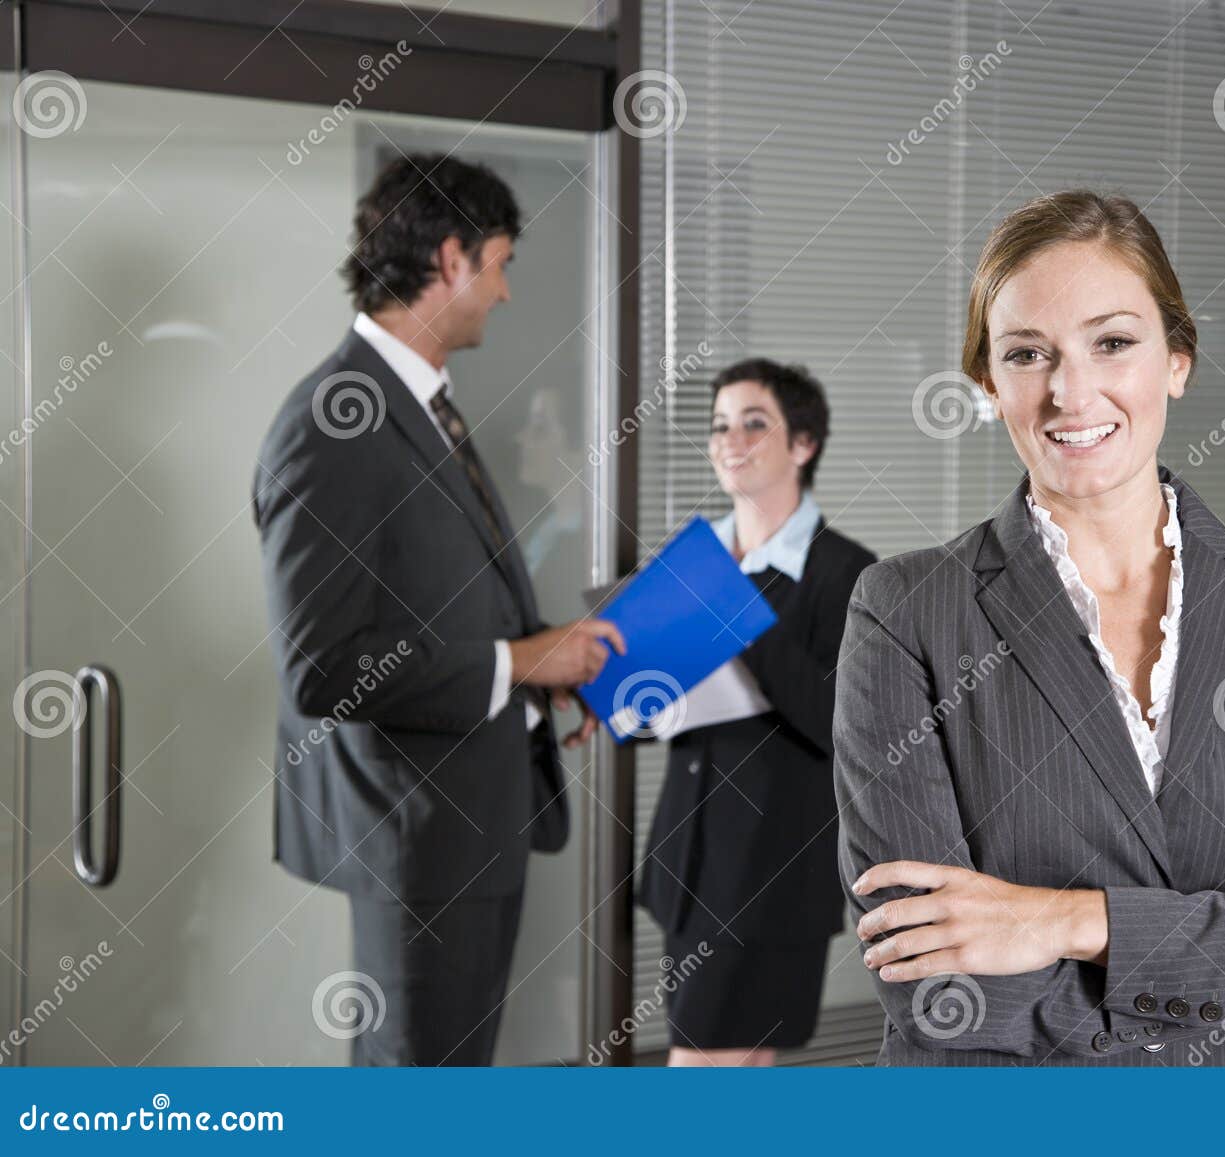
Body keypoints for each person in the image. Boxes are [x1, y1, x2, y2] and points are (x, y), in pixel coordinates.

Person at [833, 190, 1225, 1066]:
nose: (1070, 391)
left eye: (1112, 342)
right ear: (988, 384)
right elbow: (938, 985)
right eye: (1027, 353)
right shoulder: (904, 613)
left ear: (1178, 361)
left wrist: (1062, 920)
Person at [253, 153, 622, 1065]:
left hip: (463, 822)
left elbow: (444, 602)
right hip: (417, 838)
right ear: (451, 259)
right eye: (498, 264)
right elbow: (323, 668)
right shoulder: (333, 422)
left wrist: (534, 688)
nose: (502, 292)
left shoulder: (417, 407)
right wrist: (518, 662)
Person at [639, 358, 876, 1065]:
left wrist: (734, 604)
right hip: (688, 865)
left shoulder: (849, 572)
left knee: (699, 1071)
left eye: (753, 423)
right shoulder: (696, 559)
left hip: (771, 877)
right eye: (718, 425)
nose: (729, 440)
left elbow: (840, 721)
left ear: (802, 444)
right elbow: (662, 703)